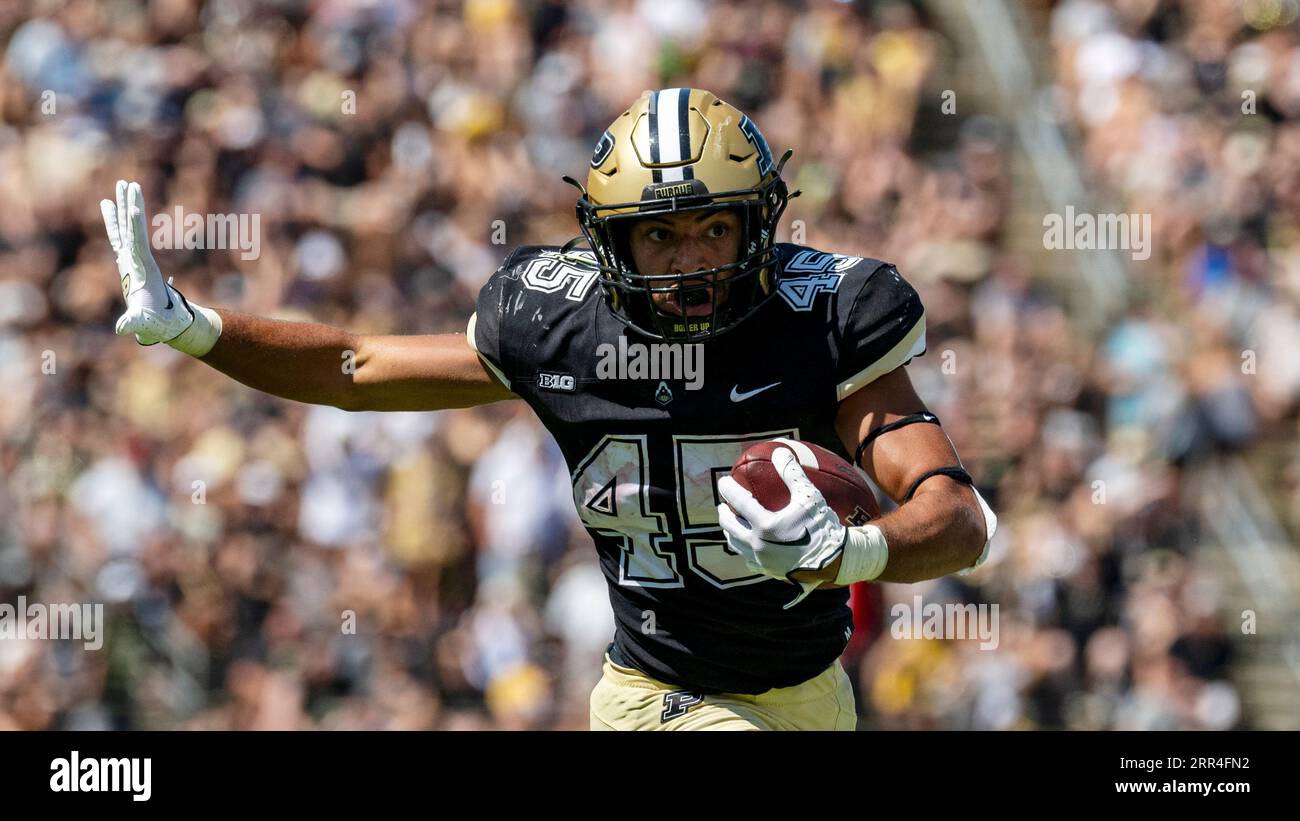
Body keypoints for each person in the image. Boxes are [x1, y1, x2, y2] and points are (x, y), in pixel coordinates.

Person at [102, 87, 997, 731]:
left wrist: (853, 549)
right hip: (659, 696)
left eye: (713, 228)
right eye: (659, 232)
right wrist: (195, 327)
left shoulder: (831, 316)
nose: (690, 259)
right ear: (610, 239)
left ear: (758, 226)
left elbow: (961, 519)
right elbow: (356, 365)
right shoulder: (556, 323)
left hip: (812, 691)